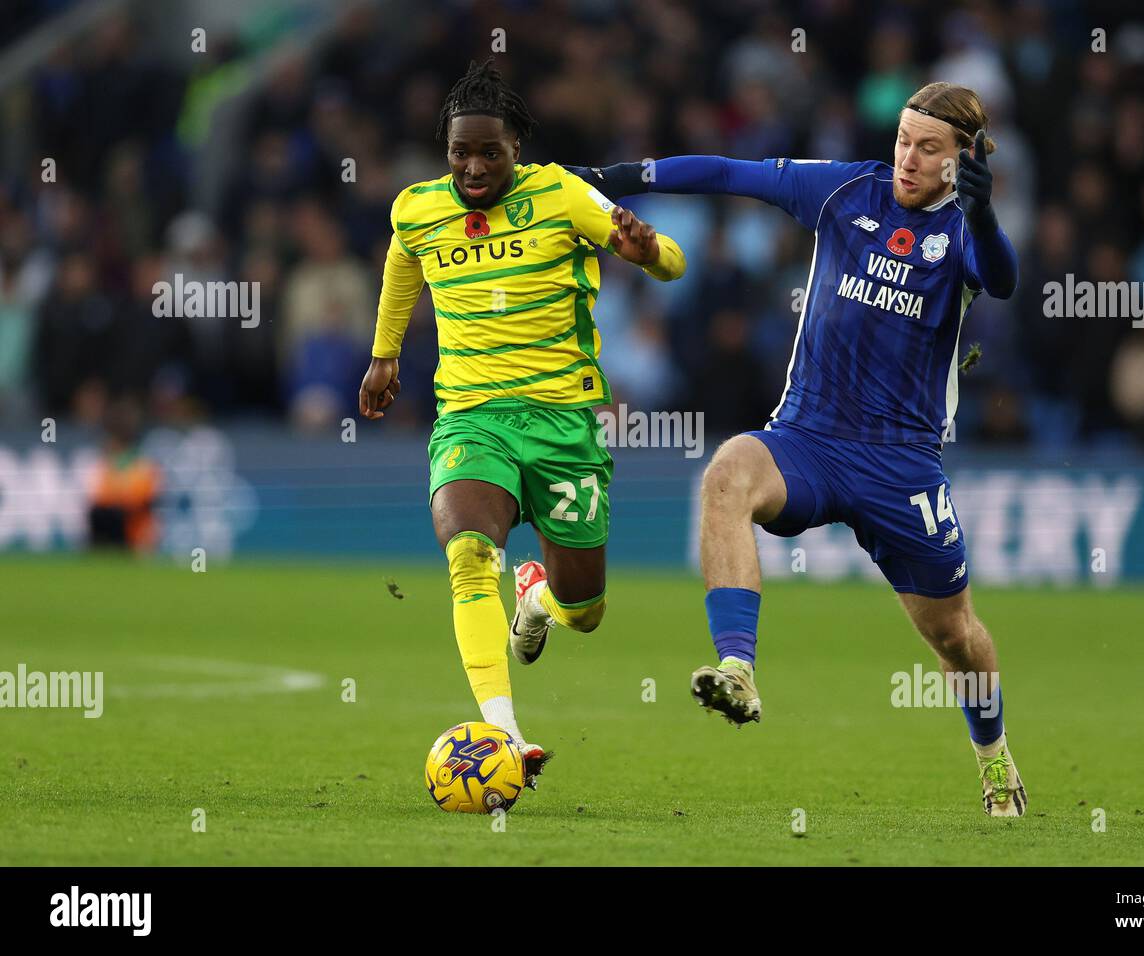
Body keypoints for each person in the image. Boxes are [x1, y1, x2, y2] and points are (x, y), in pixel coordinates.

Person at [570, 82, 1027, 816]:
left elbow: (1000, 280)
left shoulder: (964, 229)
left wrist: (984, 209)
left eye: (929, 148)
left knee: (955, 637)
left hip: (900, 464)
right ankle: (739, 669)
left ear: (961, 160)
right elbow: (728, 173)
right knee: (725, 477)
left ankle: (993, 755)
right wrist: (613, 180)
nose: (908, 158)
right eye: (904, 140)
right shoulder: (844, 190)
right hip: (805, 440)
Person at [358, 60, 686, 788]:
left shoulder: (564, 194)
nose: (473, 167)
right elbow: (403, 264)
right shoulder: (417, 208)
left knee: (586, 610)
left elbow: (674, 261)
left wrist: (646, 253)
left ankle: (537, 599)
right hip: (473, 415)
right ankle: (503, 734)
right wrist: (384, 357)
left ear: (517, 148)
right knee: (470, 552)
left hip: (565, 423)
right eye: (459, 152)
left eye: (489, 152)